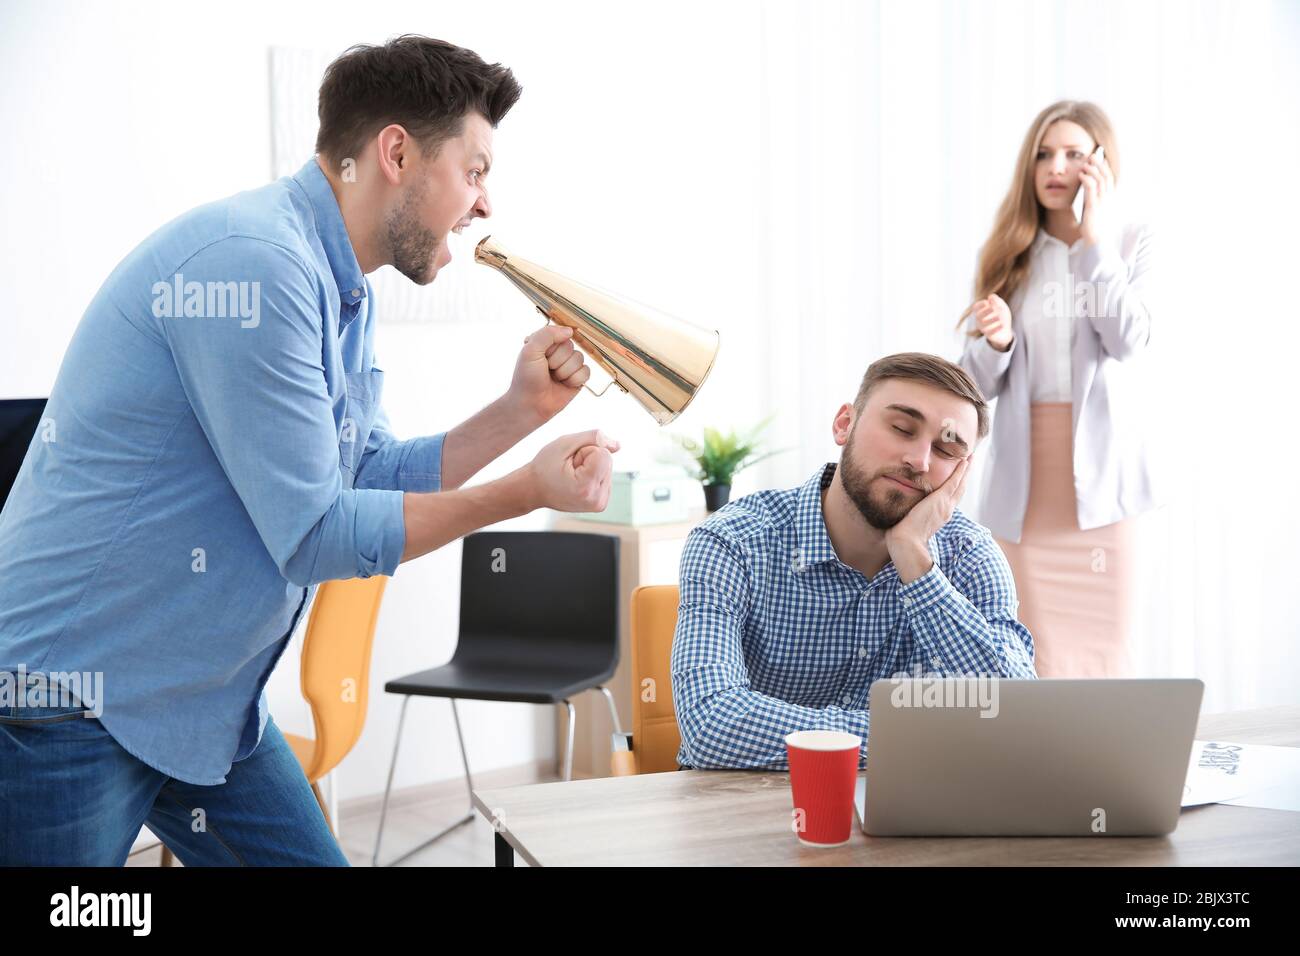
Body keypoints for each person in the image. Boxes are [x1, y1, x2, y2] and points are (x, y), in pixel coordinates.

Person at [0, 35, 620, 866]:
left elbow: (362, 472)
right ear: (395, 152)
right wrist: (523, 491)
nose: (485, 204)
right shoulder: (256, 269)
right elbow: (315, 534)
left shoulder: (341, 289)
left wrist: (517, 412)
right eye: (474, 171)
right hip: (73, 698)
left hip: (203, 700)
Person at [671, 353, 1035, 771]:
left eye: (946, 448)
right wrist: (923, 738)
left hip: (908, 821)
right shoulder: (733, 541)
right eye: (902, 428)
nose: (920, 461)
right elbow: (710, 727)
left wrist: (915, 560)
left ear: (961, 472)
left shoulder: (969, 555)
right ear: (845, 424)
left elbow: (1017, 719)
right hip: (737, 814)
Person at [957, 100, 1159, 679]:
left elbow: (1127, 341)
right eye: (1044, 154)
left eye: (1073, 153)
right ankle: (1037, 771)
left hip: (1101, 485)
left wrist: (1093, 241)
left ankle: (1105, 768)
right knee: (1031, 652)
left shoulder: (1130, 242)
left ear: (1100, 162)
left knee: (1107, 654)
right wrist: (995, 343)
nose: (1055, 167)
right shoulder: (1010, 251)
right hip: (1027, 482)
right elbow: (973, 386)